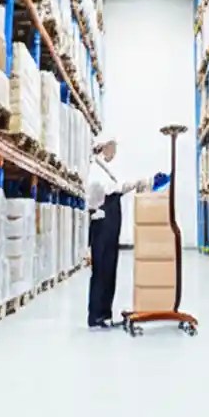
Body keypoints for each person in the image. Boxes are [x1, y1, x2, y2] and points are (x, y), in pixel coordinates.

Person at [85, 137, 149, 328]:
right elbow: (104, 190)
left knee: (110, 267)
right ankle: (96, 316)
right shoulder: (95, 168)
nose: (114, 152)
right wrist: (130, 184)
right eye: (111, 147)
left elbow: (117, 185)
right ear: (104, 148)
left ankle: (105, 313)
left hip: (111, 223)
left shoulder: (107, 168)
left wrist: (130, 185)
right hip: (102, 223)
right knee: (101, 270)